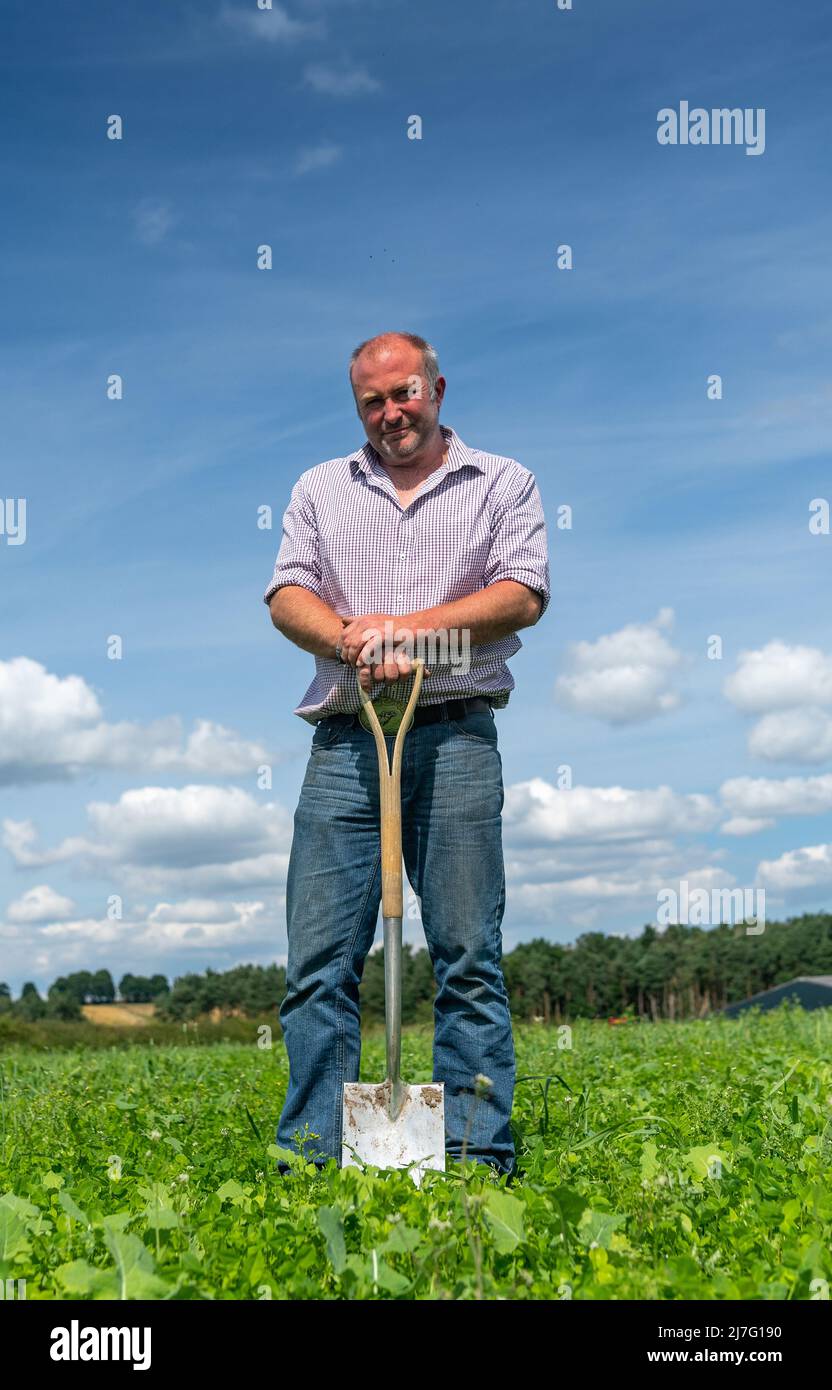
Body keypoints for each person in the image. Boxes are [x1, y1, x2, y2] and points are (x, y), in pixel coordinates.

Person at [264, 331, 549, 1177]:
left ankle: (474, 1158)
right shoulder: (321, 488)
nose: (391, 413)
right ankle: (314, 1157)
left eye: (405, 394)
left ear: (437, 388)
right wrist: (353, 637)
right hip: (347, 742)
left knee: (466, 954)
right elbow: (287, 594)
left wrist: (409, 633)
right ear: (359, 406)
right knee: (317, 964)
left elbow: (521, 592)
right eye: (372, 402)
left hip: (457, 732)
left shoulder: (504, 481)